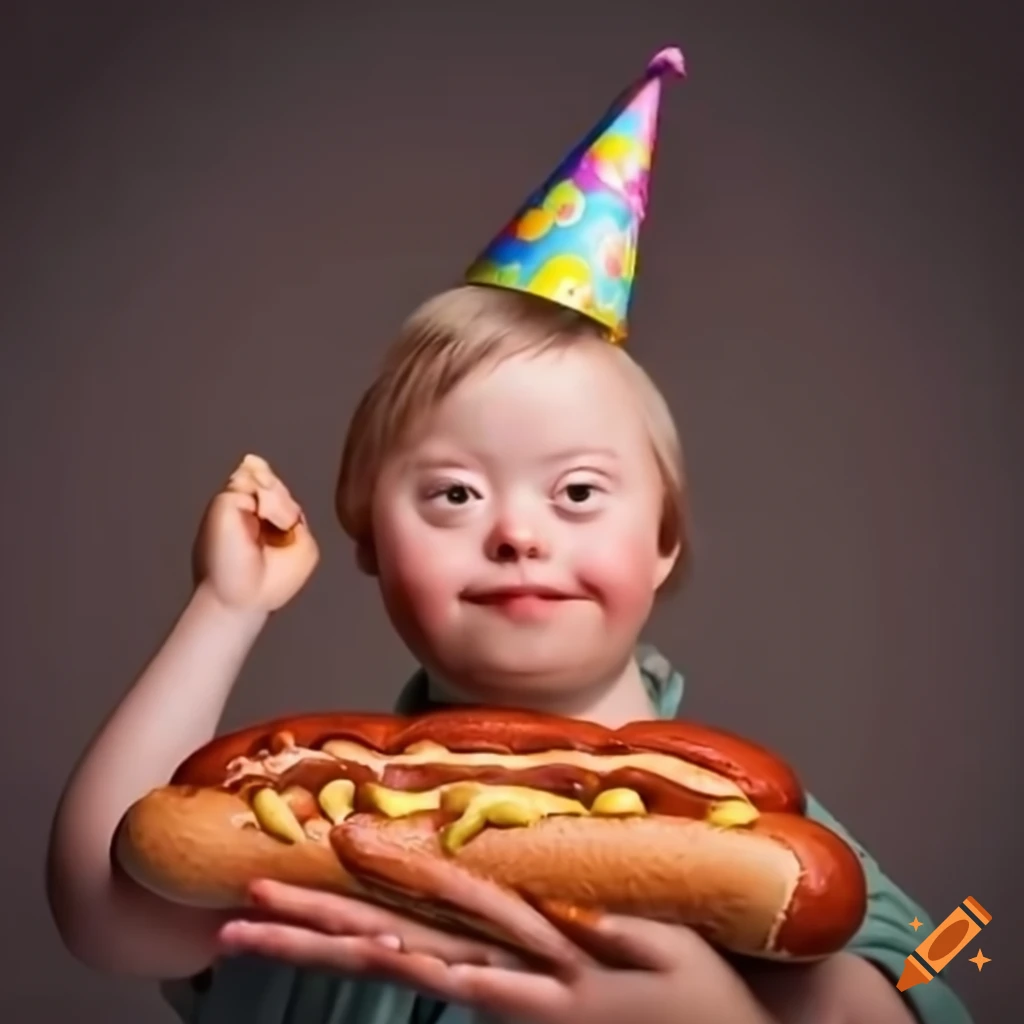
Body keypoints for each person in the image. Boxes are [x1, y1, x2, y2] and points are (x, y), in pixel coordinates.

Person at [46, 47, 973, 1024]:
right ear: (366, 537)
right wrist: (225, 609)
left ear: (663, 542)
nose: (518, 533)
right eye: (451, 495)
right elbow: (106, 913)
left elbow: (946, 961)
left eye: (577, 491)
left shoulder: (742, 822)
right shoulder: (306, 815)